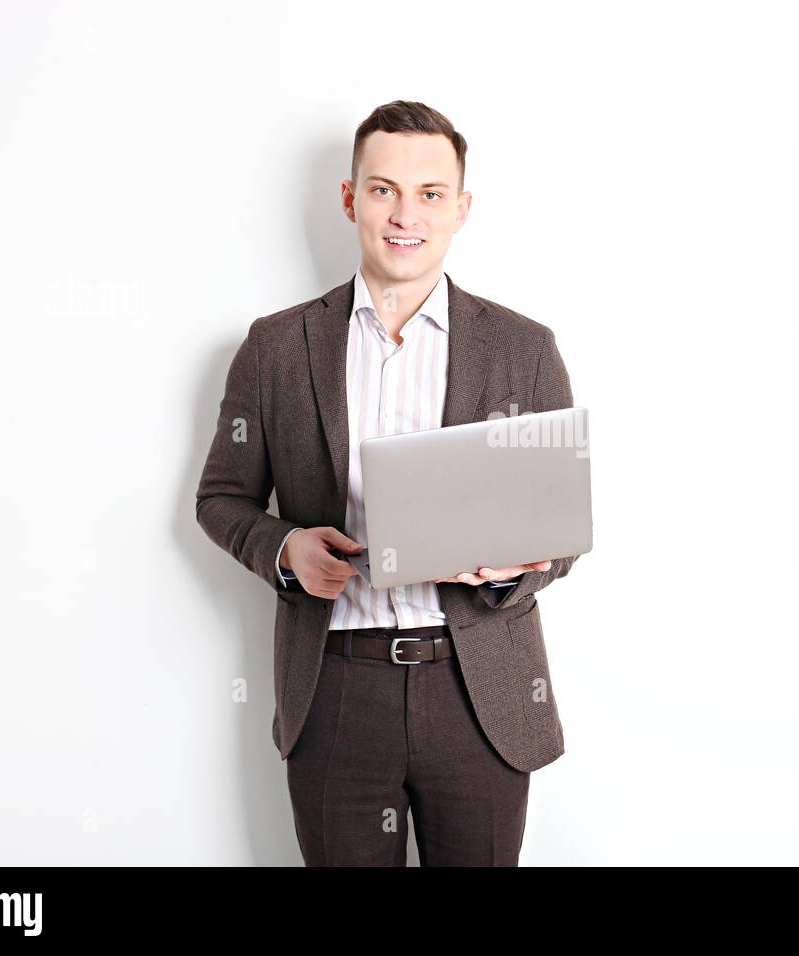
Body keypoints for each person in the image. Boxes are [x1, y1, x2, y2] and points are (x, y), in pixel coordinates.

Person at [195, 100, 580, 866]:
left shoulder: (525, 350)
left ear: (460, 208)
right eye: (383, 190)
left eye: (430, 193)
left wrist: (514, 567)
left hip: (480, 694)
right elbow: (221, 500)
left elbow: (561, 533)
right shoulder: (276, 348)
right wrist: (287, 551)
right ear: (350, 199)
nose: (406, 215)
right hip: (336, 691)